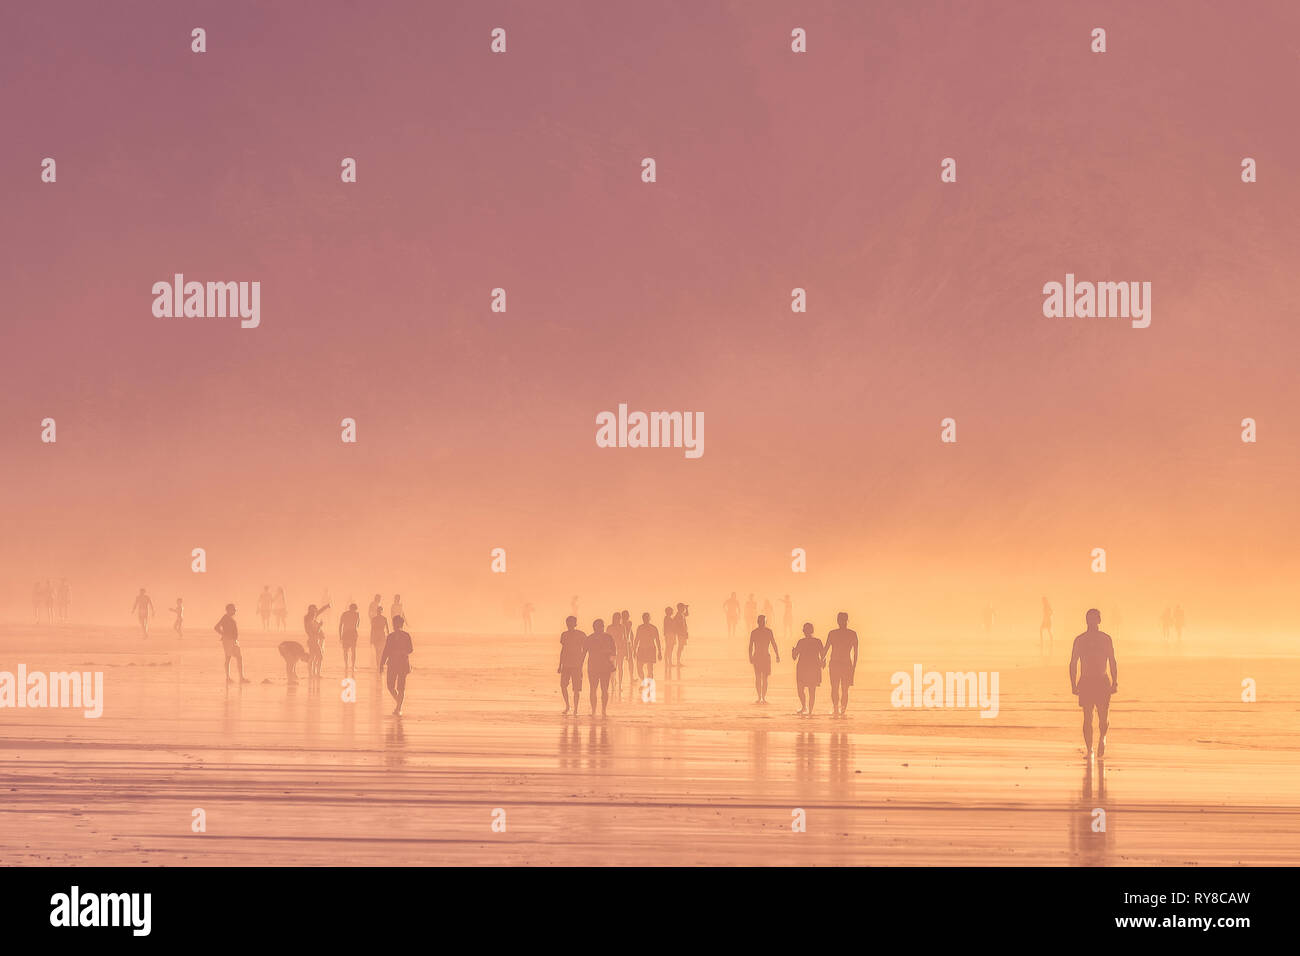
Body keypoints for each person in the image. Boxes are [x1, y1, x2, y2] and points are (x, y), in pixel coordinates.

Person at [1069, 609, 1118, 759]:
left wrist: (1115, 681)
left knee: (1103, 718)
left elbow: (1112, 660)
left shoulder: (1106, 639)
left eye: (1094, 618)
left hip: (1102, 681)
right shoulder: (1080, 640)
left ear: (1099, 620)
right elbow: (1073, 663)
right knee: (1087, 717)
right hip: (1086, 681)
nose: (1091, 621)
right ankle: (1090, 749)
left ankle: (1102, 738)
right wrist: (1073, 684)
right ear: (1086, 621)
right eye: (1088, 619)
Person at [824, 612, 859, 717]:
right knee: (844, 689)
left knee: (836, 687)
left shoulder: (833, 633)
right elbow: (855, 653)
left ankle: (837, 709)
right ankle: (841, 710)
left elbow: (825, 650)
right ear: (846, 620)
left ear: (838, 621)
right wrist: (853, 667)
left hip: (836, 663)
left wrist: (821, 660)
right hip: (845, 664)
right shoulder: (852, 634)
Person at [379, 615, 414, 715]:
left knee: (401, 687)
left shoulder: (406, 636)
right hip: (392, 664)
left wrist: (402, 651)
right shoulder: (390, 637)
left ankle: (399, 708)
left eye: (396, 624)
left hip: (403, 664)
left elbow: (410, 649)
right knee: (390, 686)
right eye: (394, 624)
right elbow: (386, 651)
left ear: (401, 624)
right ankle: (398, 703)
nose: (395, 625)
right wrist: (381, 664)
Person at [584, 619, 617, 717]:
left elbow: (613, 652)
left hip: (604, 667)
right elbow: (584, 653)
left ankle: (603, 710)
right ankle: (594, 710)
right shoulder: (589, 638)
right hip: (593, 667)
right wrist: (579, 665)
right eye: (600, 626)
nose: (601, 628)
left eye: (602, 626)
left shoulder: (608, 637)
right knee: (593, 689)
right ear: (594, 627)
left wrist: (611, 664)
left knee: (604, 689)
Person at [792, 623, 824, 716]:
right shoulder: (817, 641)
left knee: (803, 689)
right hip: (811, 667)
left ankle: (806, 708)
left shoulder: (802, 642)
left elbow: (794, 657)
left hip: (804, 667)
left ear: (804, 631)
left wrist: (793, 652)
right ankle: (808, 709)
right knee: (810, 690)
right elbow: (823, 656)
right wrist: (823, 663)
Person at [748, 613, 780, 703]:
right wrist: (750, 656)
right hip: (759, 657)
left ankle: (762, 697)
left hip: (764, 657)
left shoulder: (768, 632)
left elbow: (773, 643)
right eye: (761, 621)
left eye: (763, 621)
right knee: (759, 678)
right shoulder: (755, 632)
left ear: (765, 622)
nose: (762, 623)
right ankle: (760, 697)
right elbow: (750, 646)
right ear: (758, 622)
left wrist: (777, 655)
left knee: (763, 678)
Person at [558, 616, 586, 715]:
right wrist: (559, 665)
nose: (569, 625)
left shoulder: (581, 635)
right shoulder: (564, 635)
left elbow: (585, 650)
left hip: (576, 665)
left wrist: (581, 662)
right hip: (566, 664)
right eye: (568, 623)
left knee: (576, 688)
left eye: (571, 623)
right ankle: (567, 705)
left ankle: (576, 709)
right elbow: (563, 650)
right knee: (563, 685)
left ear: (575, 624)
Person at [214, 603, 249, 683]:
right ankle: (231, 677)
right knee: (232, 658)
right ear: (229, 610)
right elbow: (216, 627)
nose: (235, 611)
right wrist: (224, 634)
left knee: (235, 658)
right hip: (228, 641)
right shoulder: (225, 618)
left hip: (233, 641)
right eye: (234, 609)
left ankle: (237, 677)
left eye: (235, 609)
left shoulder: (229, 618)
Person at [303, 603, 330, 678]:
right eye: (314, 610)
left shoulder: (311, 618)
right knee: (318, 657)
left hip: (313, 640)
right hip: (313, 640)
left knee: (313, 657)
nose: (315, 612)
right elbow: (314, 632)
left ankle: (313, 674)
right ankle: (315, 674)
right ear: (310, 611)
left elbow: (319, 611)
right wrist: (320, 626)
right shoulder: (310, 620)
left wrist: (326, 606)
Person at [634, 612, 662, 681]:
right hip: (642, 649)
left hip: (650, 649)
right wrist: (634, 650)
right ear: (642, 619)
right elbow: (636, 639)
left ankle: (648, 684)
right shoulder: (640, 628)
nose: (645, 619)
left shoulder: (653, 628)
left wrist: (659, 652)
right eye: (644, 618)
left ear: (649, 619)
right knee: (639, 668)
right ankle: (643, 681)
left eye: (647, 618)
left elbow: (658, 640)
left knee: (650, 669)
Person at [338, 602, 361, 675]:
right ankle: (352, 666)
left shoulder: (344, 614)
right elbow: (357, 625)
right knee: (353, 650)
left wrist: (340, 636)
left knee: (346, 651)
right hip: (352, 633)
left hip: (346, 633)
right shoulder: (357, 614)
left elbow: (340, 625)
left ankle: (346, 665)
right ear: (355, 609)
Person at [370, 603, 389, 670]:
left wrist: (389, 638)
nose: (379, 612)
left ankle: (379, 665)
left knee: (379, 652)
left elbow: (387, 629)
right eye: (379, 611)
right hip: (379, 635)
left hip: (379, 635)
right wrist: (371, 639)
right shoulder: (379, 619)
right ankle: (379, 665)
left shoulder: (382, 619)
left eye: (380, 611)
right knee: (378, 652)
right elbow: (372, 629)